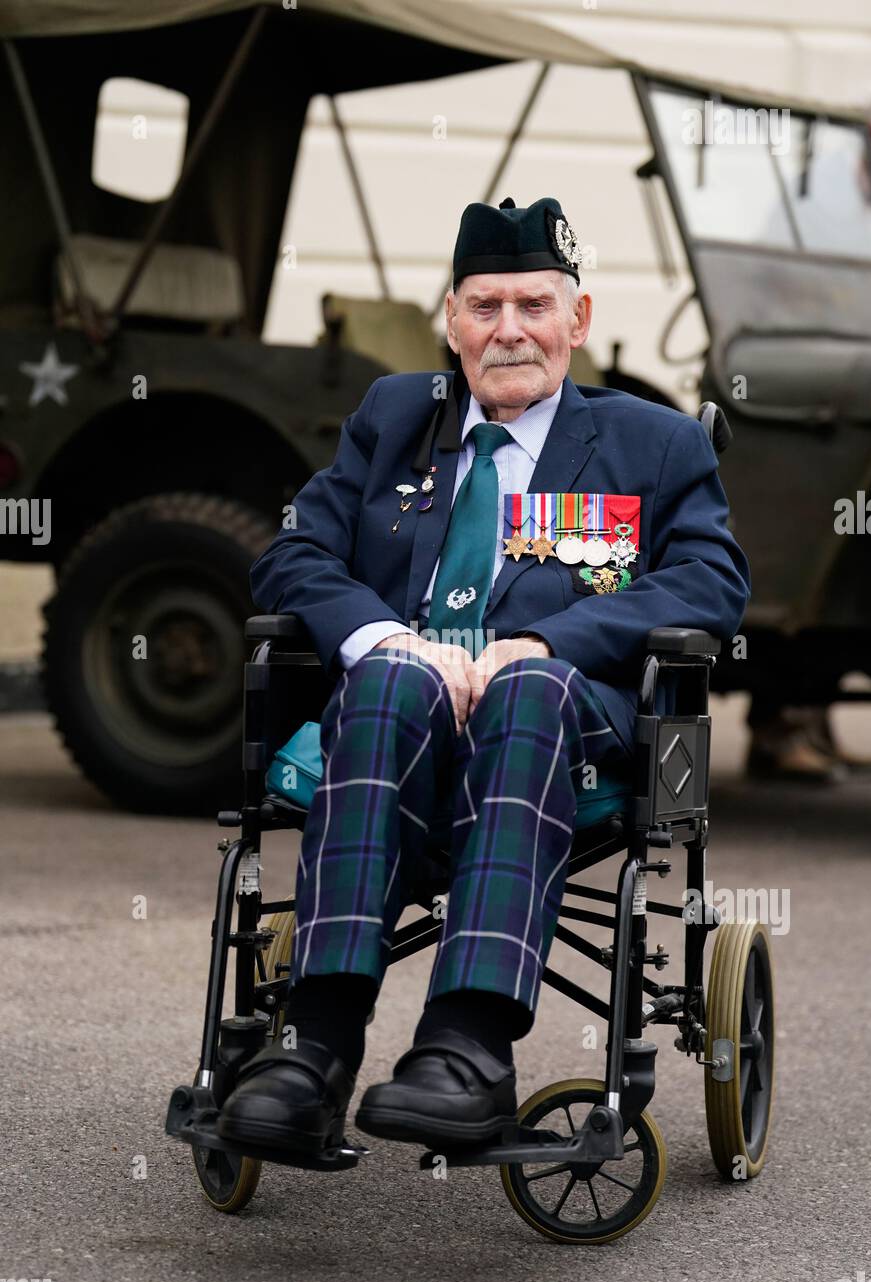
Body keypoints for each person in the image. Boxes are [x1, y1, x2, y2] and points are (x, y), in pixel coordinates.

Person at [216, 195, 751, 1155]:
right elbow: (292, 555)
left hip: (562, 732)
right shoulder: (391, 417)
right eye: (484, 305)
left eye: (533, 305)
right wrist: (384, 637)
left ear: (576, 321)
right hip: (395, 726)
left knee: (526, 691)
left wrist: (556, 642)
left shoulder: (650, 444)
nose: (509, 330)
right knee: (386, 680)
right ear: (451, 322)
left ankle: (466, 1049)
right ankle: (312, 1049)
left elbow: (712, 579)